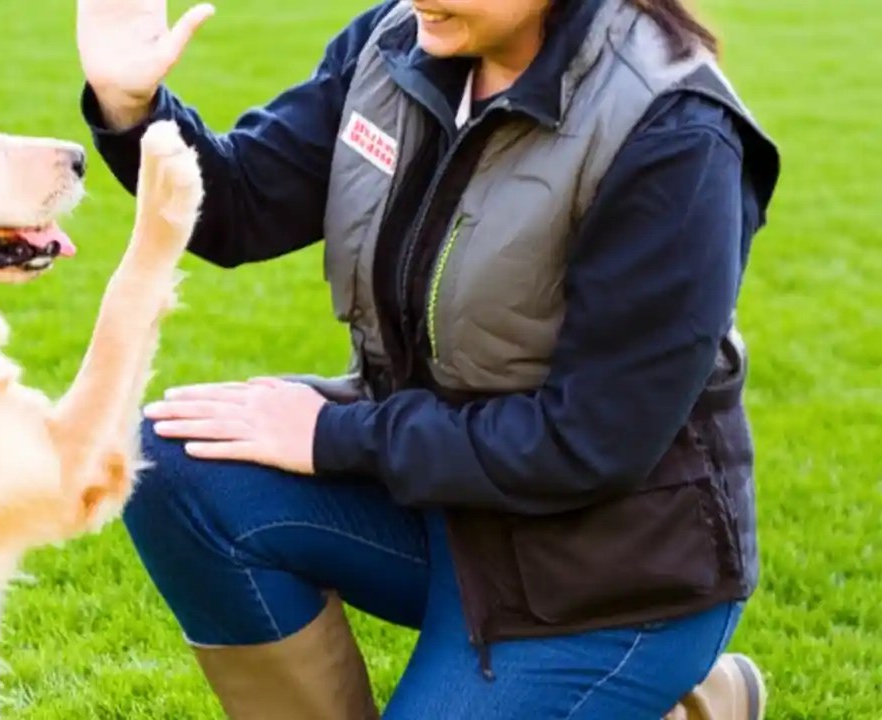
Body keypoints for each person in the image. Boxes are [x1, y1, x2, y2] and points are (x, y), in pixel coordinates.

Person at [76, 0, 780, 717]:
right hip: (443, 498)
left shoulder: (675, 130)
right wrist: (133, 109)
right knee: (173, 462)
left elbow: (593, 441)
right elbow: (245, 201)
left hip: (605, 574)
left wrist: (331, 435)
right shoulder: (399, 41)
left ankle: (674, 696)